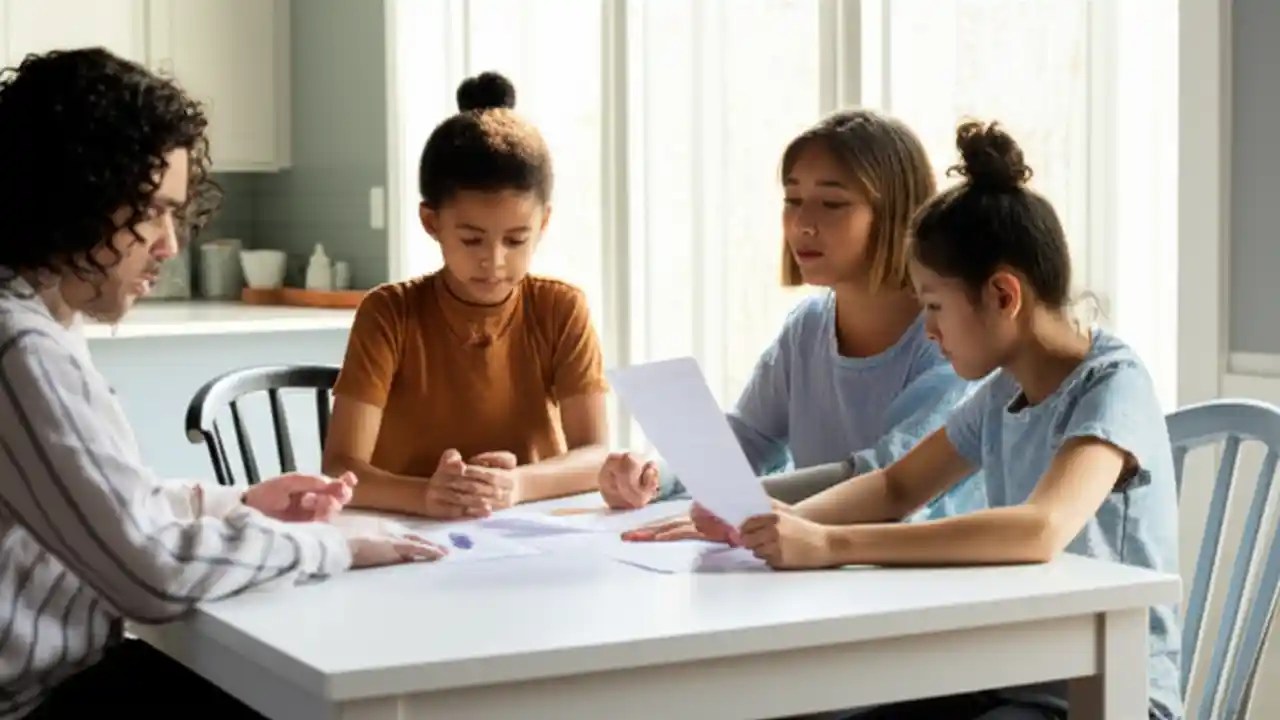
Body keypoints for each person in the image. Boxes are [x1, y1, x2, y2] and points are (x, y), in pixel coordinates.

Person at [0, 48, 443, 719]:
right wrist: (332, 546)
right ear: (74, 195)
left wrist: (241, 503)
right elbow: (152, 571)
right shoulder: (21, 346)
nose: (171, 244)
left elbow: (108, 499)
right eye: (151, 210)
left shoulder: (42, 316)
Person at [701, 121, 1181, 720]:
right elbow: (896, 485)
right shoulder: (1005, 389)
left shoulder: (1112, 384)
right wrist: (775, 524)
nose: (927, 330)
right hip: (1013, 676)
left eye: (934, 306)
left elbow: (1039, 529)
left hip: (1106, 695)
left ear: (1004, 296)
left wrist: (830, 544)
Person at [600, 109, 987, 536]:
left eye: (833, 203)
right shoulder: (808, 326)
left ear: (896, 214)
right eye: (793, 200)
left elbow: (886, 477)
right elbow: (749, 438)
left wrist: (740, 505)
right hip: (815, 566)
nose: (803, 224)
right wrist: (655, 477)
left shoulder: (946, 339)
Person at [323, 71, 609, 520]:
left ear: (544, 223)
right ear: (431, 222)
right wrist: (427, 496)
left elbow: (595, 454)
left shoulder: (561, 309)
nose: (494, 262)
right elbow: (340, 466)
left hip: (529, 531)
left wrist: (514, 486)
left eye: (516, 240)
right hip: (410, 531)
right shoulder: (389, 314)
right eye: (472, 240)